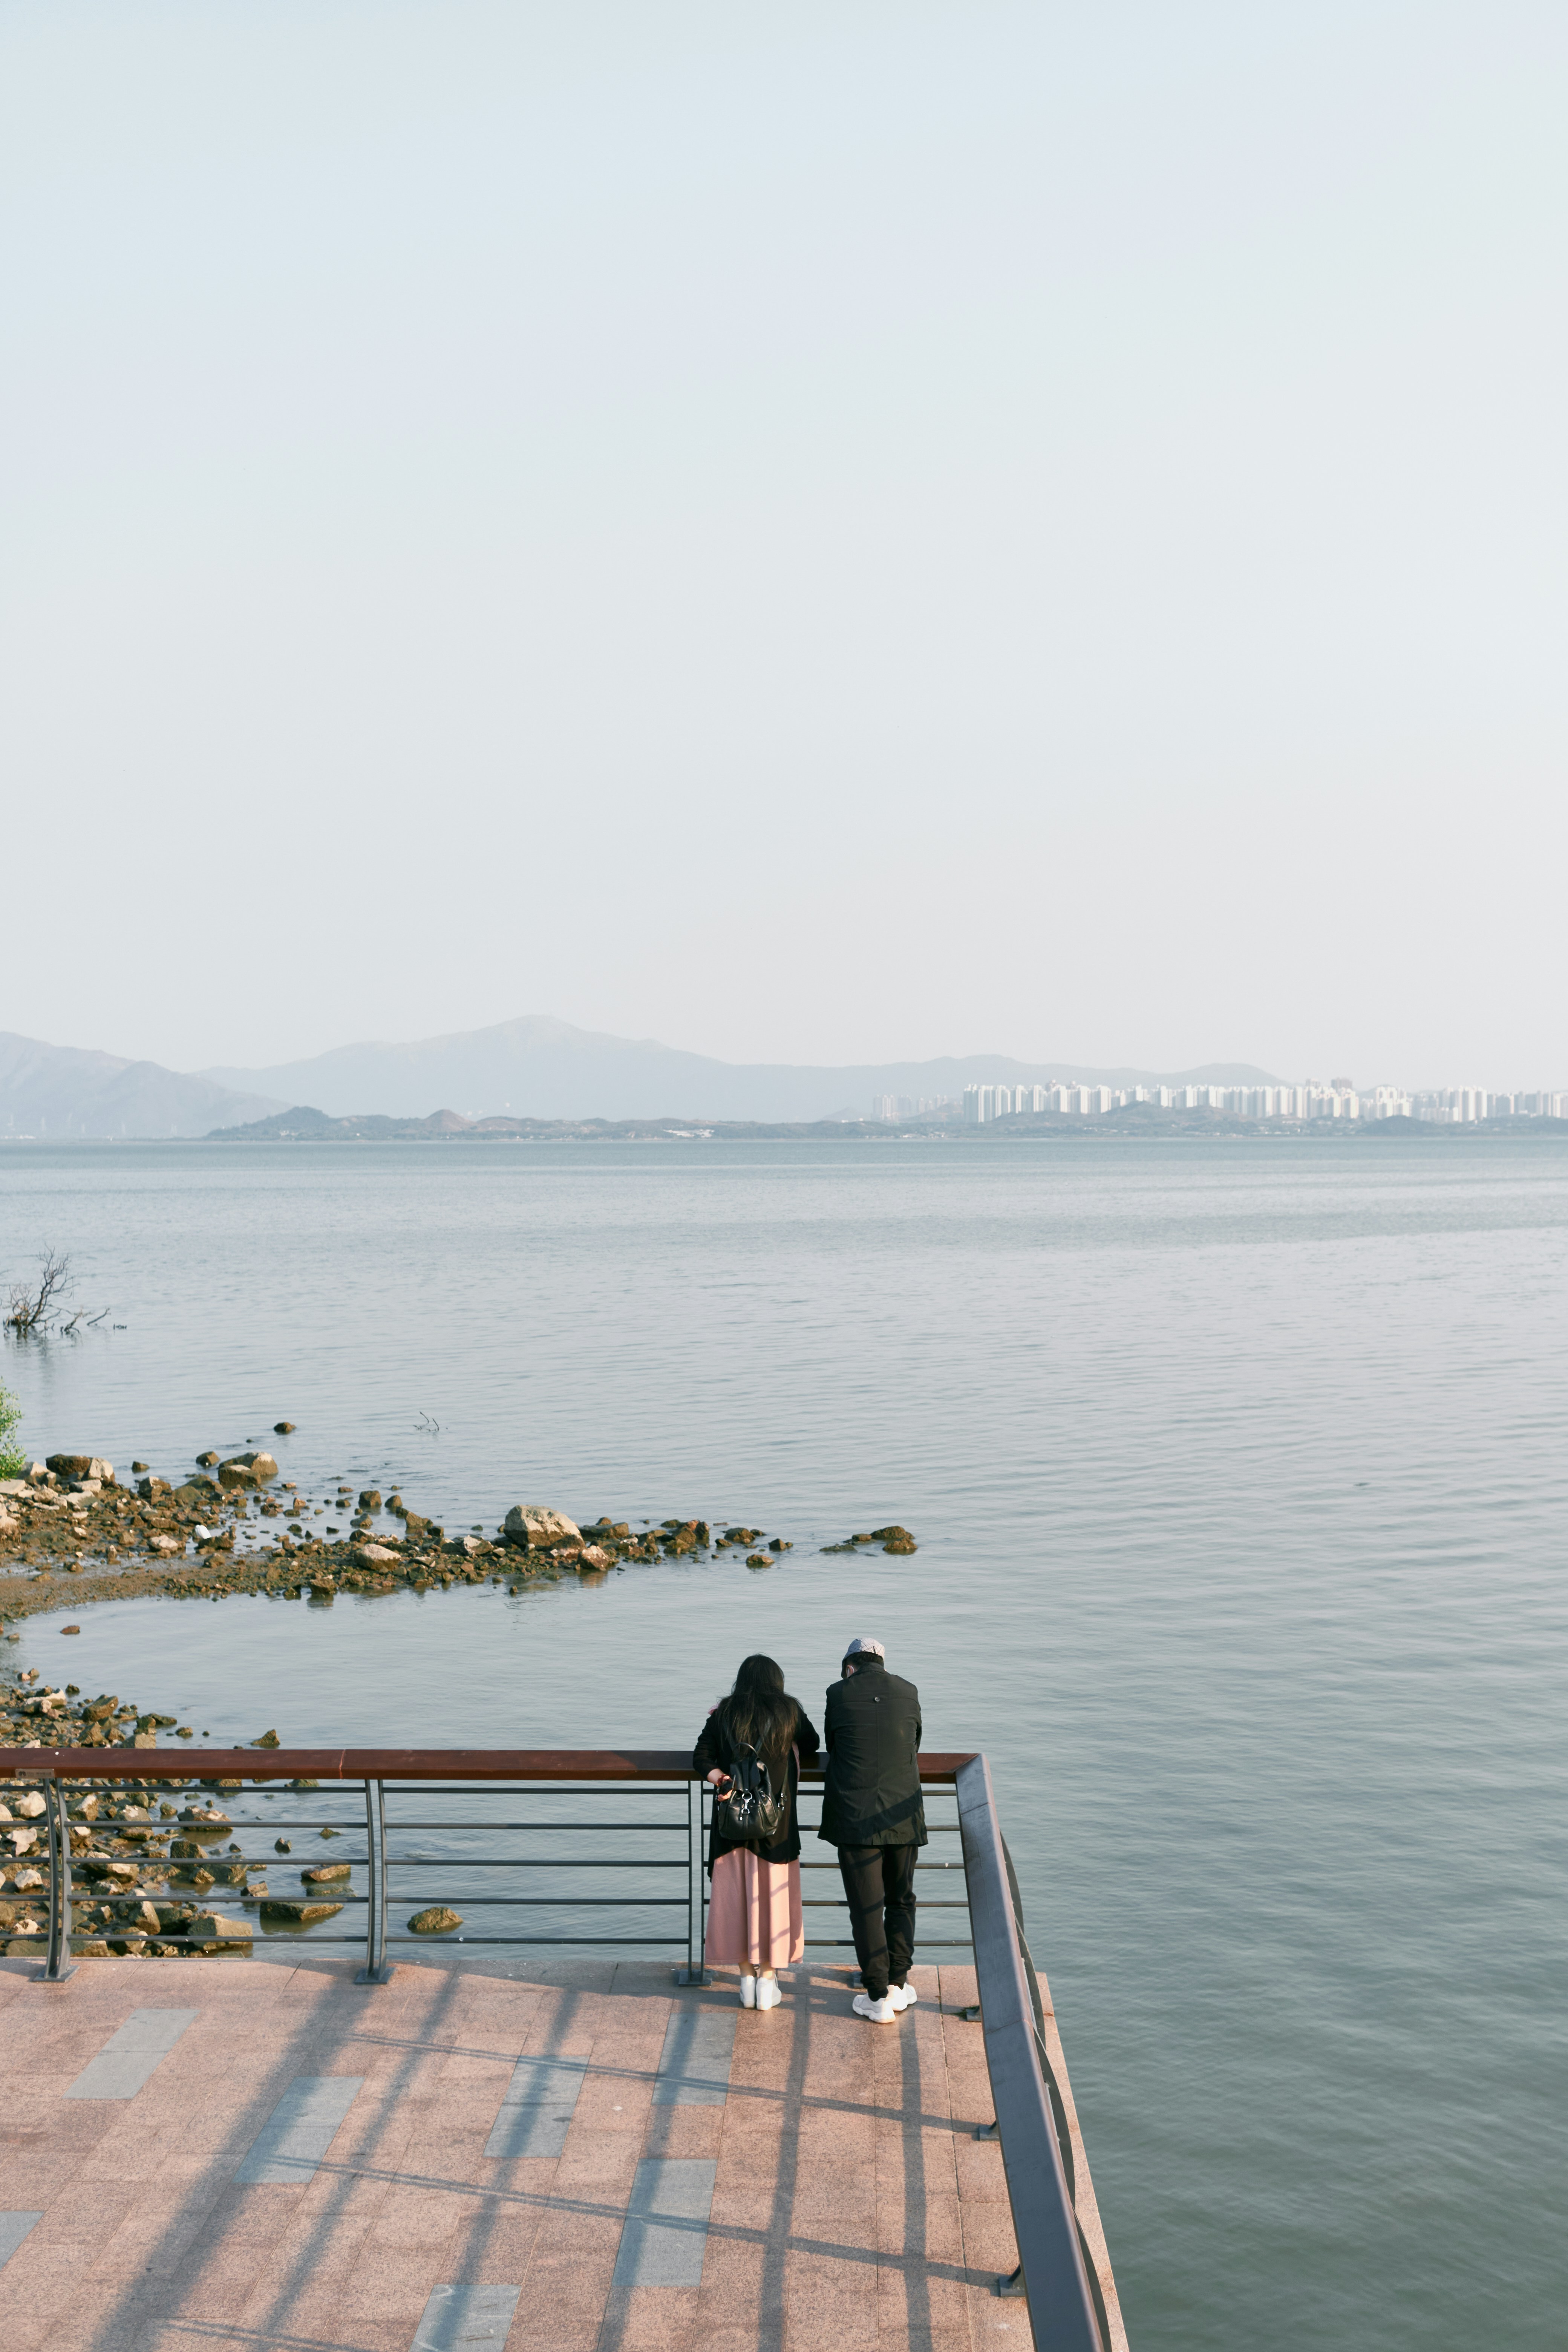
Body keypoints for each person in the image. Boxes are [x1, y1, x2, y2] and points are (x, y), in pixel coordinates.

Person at [693, 1654, 820, 2009]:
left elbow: (701, 1756)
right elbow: (811, 1744)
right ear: (776, 1682)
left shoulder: (725, 1714)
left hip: (731, 1823)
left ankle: (746, 1977)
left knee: (735, 1897)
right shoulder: (789, 1711)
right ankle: (768, 1980)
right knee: (773, 1898)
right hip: (775, 1826)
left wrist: (722, 1778)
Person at [819, 1635, 925, 2023]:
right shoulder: (908, 1690)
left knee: (866, 1908)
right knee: (901, 1899)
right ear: (881, 1664)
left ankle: (877, 1995)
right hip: (903, 1811)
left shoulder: (837, 1692)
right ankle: (898, 1984)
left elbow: (833, 1743)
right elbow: (913, 1742)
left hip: (854, 1815)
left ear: (850, 1667)